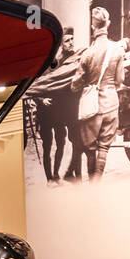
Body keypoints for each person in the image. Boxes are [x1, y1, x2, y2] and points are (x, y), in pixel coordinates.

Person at [70, 6, 125, 181]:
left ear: (93, 27)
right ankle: (96, 183)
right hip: (111, 102)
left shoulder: (87, 54)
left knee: (90, 147)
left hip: (92, 107)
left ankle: (92, 184)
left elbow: (76, 85)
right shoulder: (117, 49)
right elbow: (119, 80)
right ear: (108, 24)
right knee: (104, 147)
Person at [26, 27, 81, 182]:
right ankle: (49, 178)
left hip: (60, 111)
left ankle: (56, 175)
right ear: (60, 44)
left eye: (72, 40)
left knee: (61, 142)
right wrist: (41, 100)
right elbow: (36, 86)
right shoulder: (51, 63)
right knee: (47, 145)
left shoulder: (74, 59)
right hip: (45, 112)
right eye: (67, 40)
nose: (71, 43)